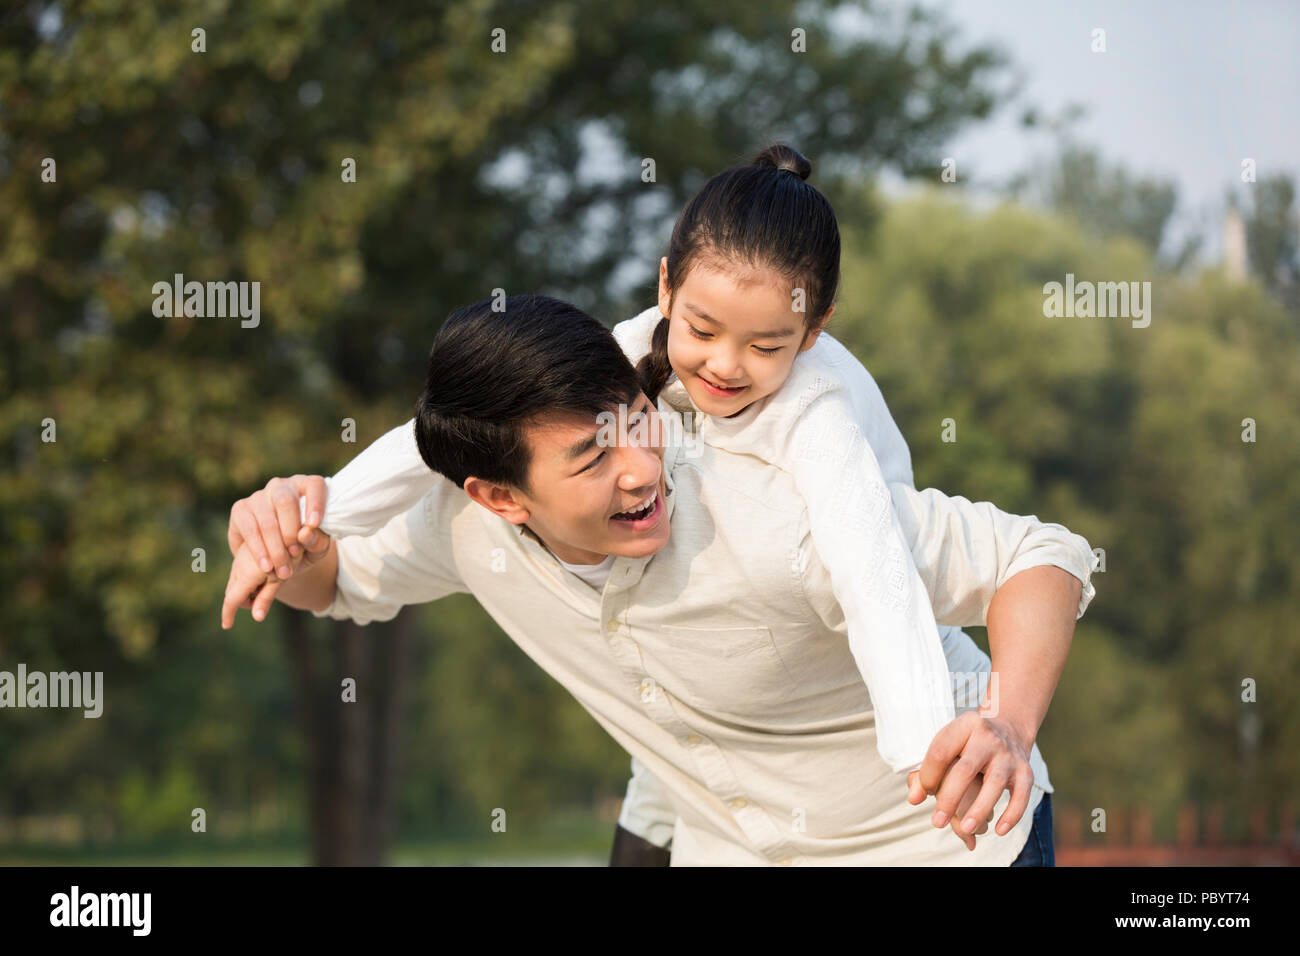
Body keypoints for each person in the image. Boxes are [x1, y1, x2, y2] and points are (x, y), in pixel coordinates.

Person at [222, 293, 1096, 865]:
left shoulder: (786, 508)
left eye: (635, 422)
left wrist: (1009, 726)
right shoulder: (465, 531)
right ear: (499, 497)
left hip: (937, 847)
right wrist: (282, 539)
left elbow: (1038, 558)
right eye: (593, 458)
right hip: (728, 847)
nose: (639, 468)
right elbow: (334, 582)